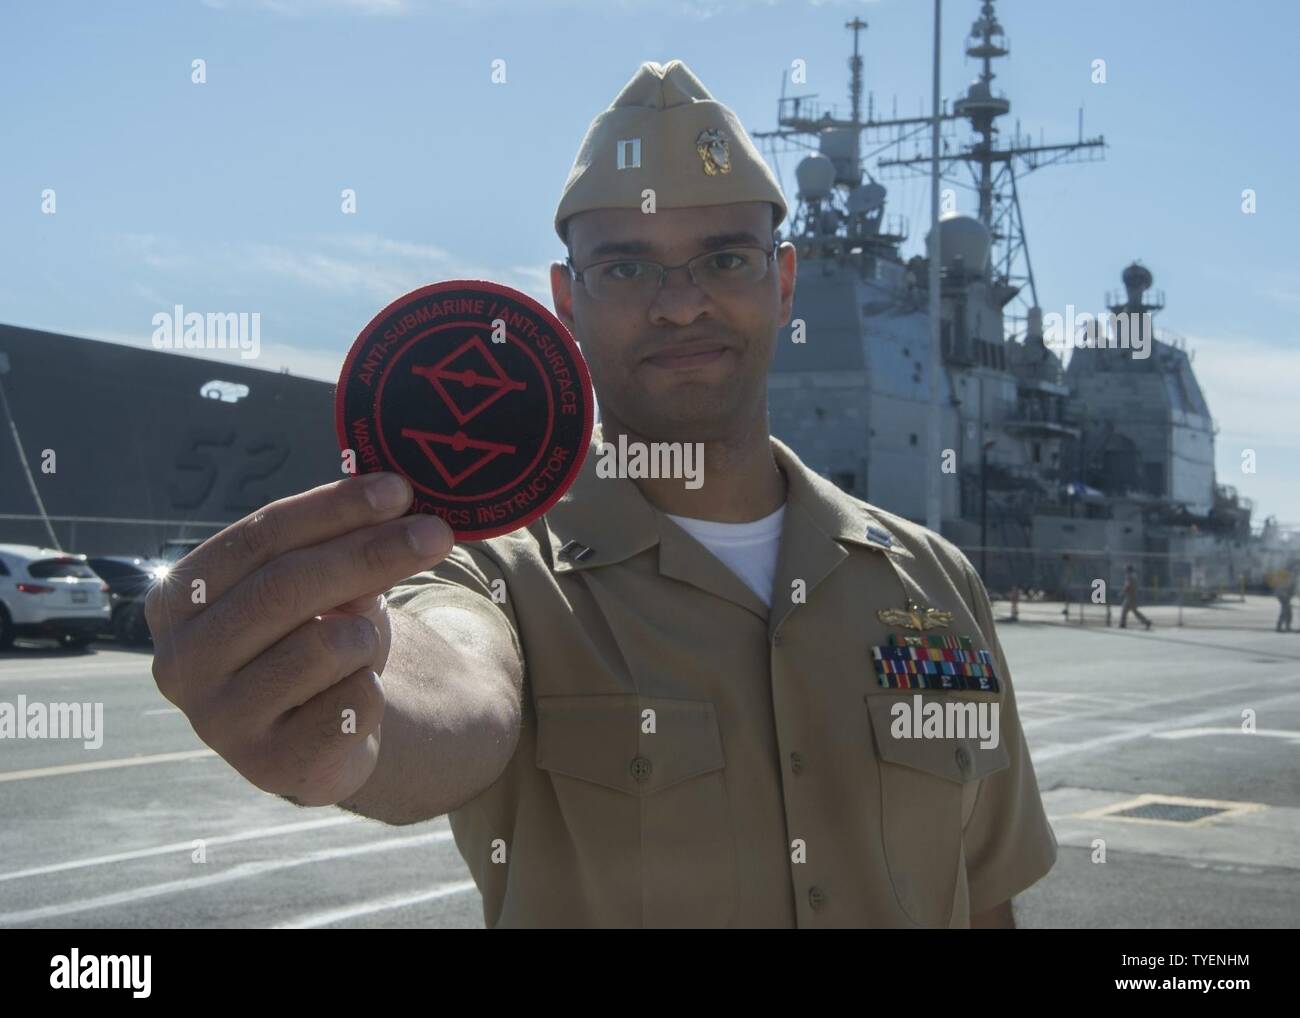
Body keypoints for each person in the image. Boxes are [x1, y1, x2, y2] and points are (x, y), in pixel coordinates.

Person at [147, 60, 1055, 929]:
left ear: (784, 285)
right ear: (565, 304)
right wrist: (353, 714)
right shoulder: (495, 575)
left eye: (724, 260)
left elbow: (982, 895)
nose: (680, 304)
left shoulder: (938, 586)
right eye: (625, 268)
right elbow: (455, 684)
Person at [1118, 564, 1152, 630]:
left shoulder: (1129, 576)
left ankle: (1146, 622)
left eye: (1126, 569)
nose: (1125, 570)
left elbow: (1128, 586)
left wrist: (1122, 593)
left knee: (1128, 610)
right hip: (1133, 596)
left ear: (1128, 570)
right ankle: (1146, 622)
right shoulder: (1134, 576)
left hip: (1130, 596)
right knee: (1129, 610)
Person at [1276, 563, 1296, 633]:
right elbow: (1281, 588)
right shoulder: (1286, 576)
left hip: (1286, 596)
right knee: (1285, 611)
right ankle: (1279, 627)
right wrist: (1285, 596)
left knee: (1288, 612)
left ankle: (1287, 627)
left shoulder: (1292, 576)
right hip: (1283, 596)